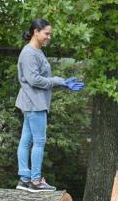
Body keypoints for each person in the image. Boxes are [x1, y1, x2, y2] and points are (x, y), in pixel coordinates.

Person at [15, 19, 84, 192]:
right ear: (35, 32)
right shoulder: (30, 53)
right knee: (38, 141)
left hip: (33, 101)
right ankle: (35, 181)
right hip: (34, 103)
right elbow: (34, 80)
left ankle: (25, 179)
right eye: (46, 33)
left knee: (27, 140)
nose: (49, 37)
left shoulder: (37, 51)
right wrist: (59, 81)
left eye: (50, 34)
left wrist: (62, 83)